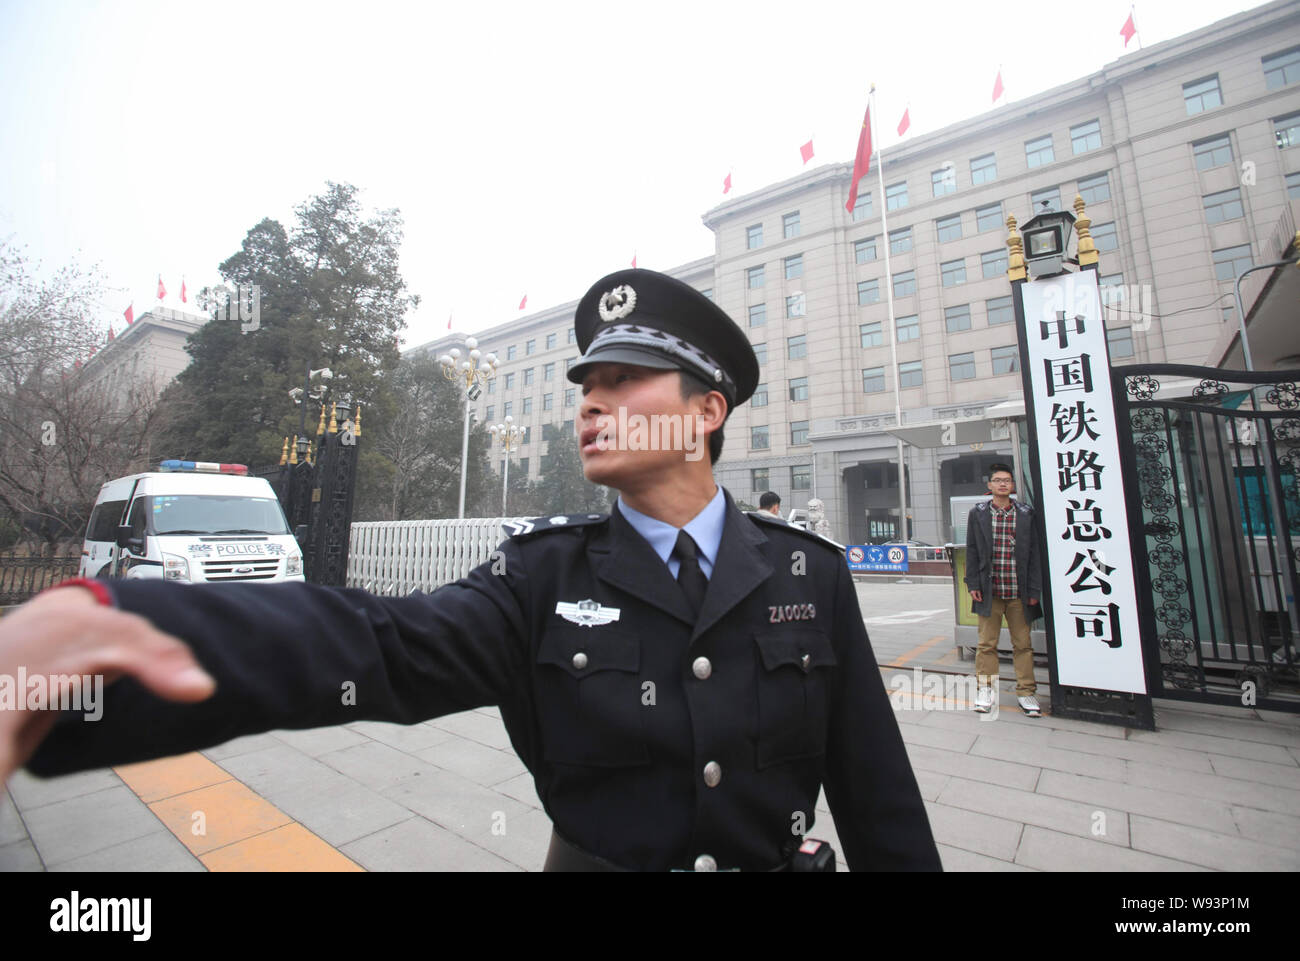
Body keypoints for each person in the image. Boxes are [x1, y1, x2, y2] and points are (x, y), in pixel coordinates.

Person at [7, 268, 941, 872]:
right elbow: (380, 646)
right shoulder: (545, 577)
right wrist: (108, 641)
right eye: (585, 386)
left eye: (622, 382)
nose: (590, 405)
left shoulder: (805, 577)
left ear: (705, 412)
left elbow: (881, 803)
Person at [963, 462, 1043, 717]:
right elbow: (972, 550)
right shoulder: (978, 513)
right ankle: (985, 690)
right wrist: (973, 583)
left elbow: (1034, 555)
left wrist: (1034, 590)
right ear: (989, 485)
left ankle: (1027, 692)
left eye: (1007, 480)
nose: (1002, 484)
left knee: (1023, 644)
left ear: (1012, 485)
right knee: (987, 643)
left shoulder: (1025, 513)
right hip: (990, 590)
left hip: (1019, 592)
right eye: (997, 480)